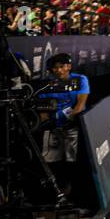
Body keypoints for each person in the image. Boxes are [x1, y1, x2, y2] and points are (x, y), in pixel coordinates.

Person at [39, 53, 89, 197]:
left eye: (62, 67)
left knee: (72, 162)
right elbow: (43, 110)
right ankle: (54, 193)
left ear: (69, 66)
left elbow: (80, 104)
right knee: (50, 162)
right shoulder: (47, 85)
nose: (59, 70)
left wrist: (69, 122)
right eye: (55, 68)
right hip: (53, 128)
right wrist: (49, 125)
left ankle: (73, 193)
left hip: (73, 127)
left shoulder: (80, 80)